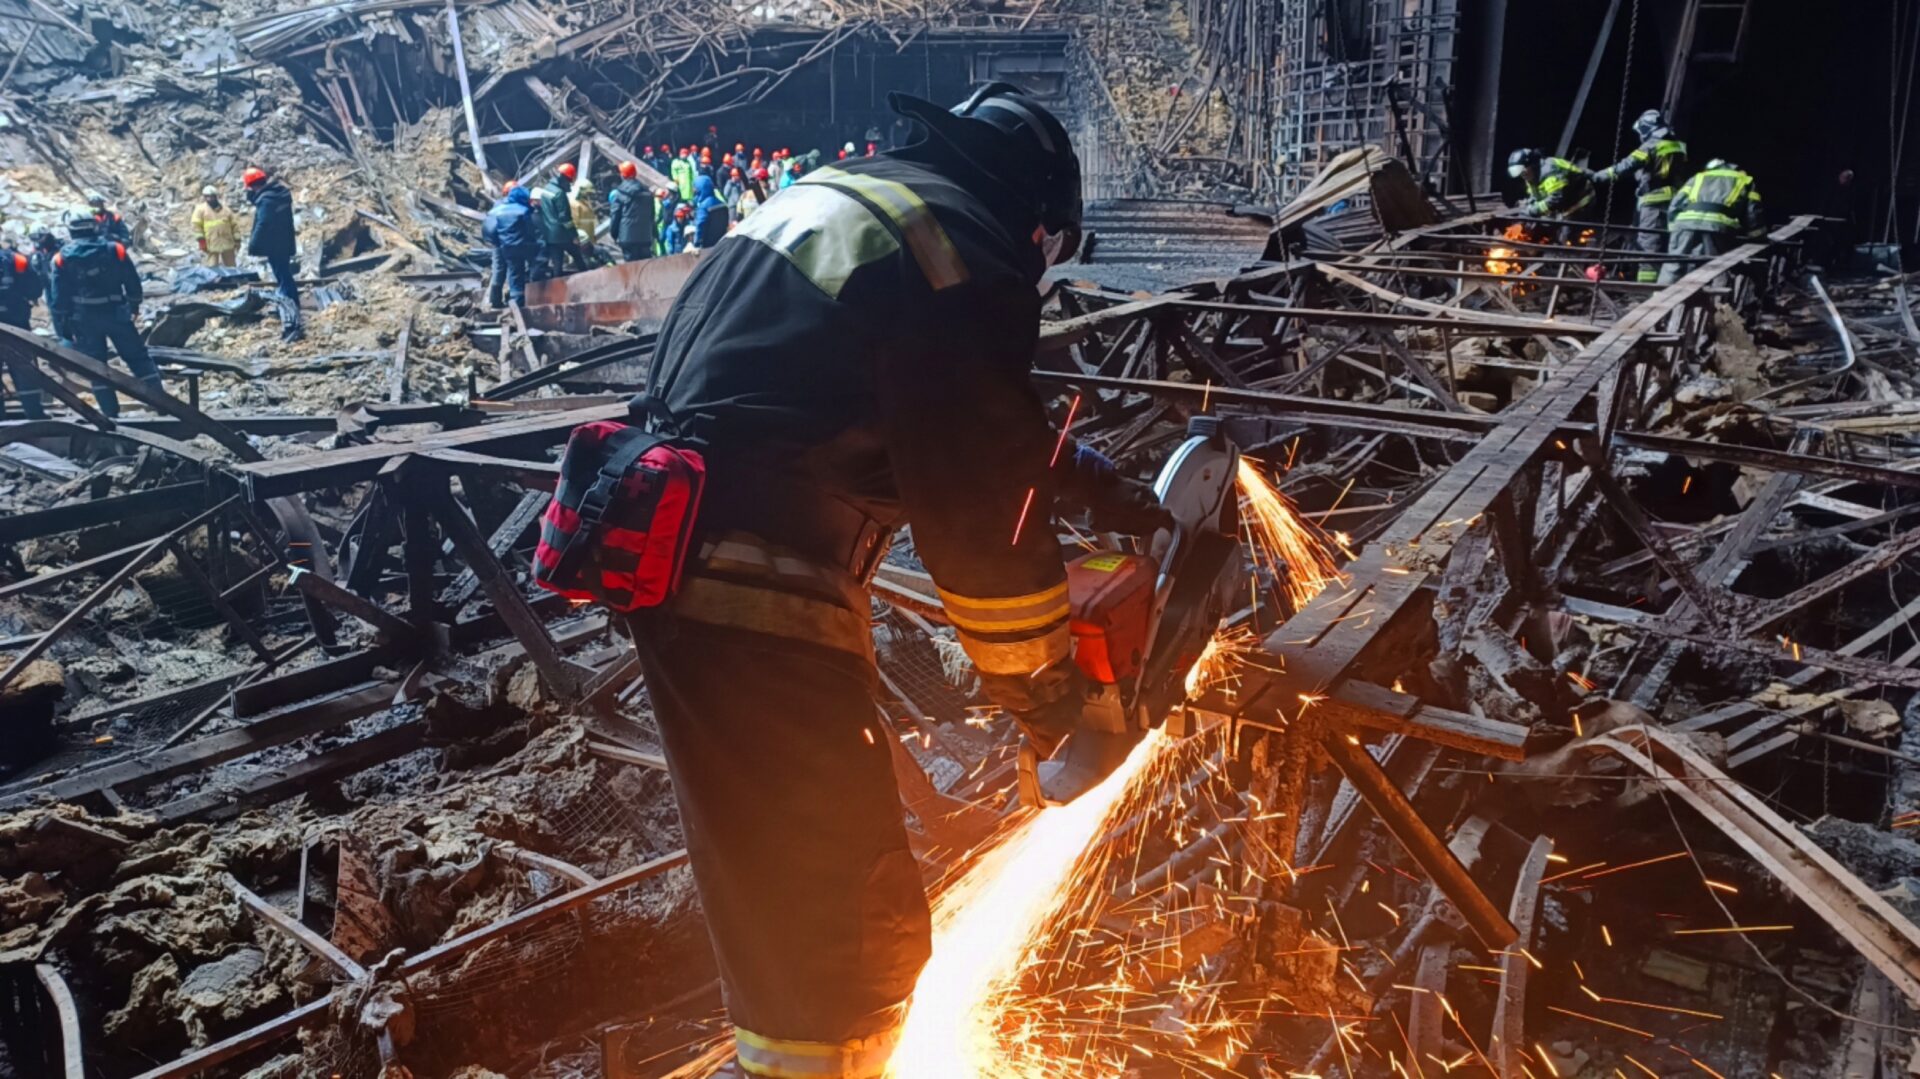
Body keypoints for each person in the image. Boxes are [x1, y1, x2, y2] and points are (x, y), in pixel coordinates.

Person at [628, 82, 1166, 1079]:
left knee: (778, 885)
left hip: (681, 549)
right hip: (759, 582)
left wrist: (1102, 483)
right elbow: (981, 521)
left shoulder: (860, 204)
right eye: (1049, 249)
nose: (1040, 268)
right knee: (842, 908)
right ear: (1038, 219)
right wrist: (1055, 703)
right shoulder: (963, 254)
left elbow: (929, 401)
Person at [50, 207, 163, 418]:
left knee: (96, 367)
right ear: (94, 226)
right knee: (138, 358)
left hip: (84, 319)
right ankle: (161, 404)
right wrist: (134, 305)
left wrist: (63, 325)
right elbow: (132, 281)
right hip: (116, 314)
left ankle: (111, 415)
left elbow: (58, 298)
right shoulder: (115, 249)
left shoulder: (61, 258)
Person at [1593, 109, 1689, 282]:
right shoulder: (1679, 145)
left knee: (1648, 247)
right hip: (1675, 201)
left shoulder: (1651, 145)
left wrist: (1599, 176)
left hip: (1654, 201)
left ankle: (1644, 292)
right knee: (1667, 246)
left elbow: (1626, 166)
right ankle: (1665, 284)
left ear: (1646, 129)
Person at [1660, 158, 1764, 285]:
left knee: (1674, 263)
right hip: (1718, 224)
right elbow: (1753, 212)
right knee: (1717, 267)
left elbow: (1676, 204)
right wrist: (1756, 235)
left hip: (1686, 221)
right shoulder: (1745, 180)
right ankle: (1718, 300)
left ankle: (1658, 294)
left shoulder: (1699, 177)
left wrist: (1673, 229)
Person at [243, 167, 303, 343]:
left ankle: (290, 308)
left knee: (282, 276)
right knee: (284, 274)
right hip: (283, 241)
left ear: (251, 186)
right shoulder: (279, 194)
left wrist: (254, 244)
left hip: (274, 244)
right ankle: (291, 303)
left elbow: (263, 223)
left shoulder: (266, 200)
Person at [0, 235, 46, 418]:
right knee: (24, 371)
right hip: (16, 324)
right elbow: (35, 289)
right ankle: (34, 414)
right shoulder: (16, 259)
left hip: (15, 323)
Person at [1508, 148, 1594, 234]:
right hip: (1565, 199)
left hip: (1582, 198)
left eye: (1522, 171)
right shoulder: (1531, 174)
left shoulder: (1550, 171)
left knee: (1565, 232)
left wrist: (1533, 211)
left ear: (1531, 164)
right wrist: (1529, 206)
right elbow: (1536, 195)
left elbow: (1555, 199)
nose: (1522, 175)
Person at [483, 182, 538, 309]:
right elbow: (529, 230)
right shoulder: (523, 209)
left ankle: (495, 300)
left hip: (500, 244)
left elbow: (489, 229)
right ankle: (517, 302)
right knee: (515, 271)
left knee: (498, 270)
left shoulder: (496, 209)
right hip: (513, 244)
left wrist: (497, 242)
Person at [538, 162, 583, 278]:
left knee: (557, 264)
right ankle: (587, 278)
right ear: (565, 178)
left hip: (549, 234)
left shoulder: (546, 190)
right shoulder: (559, 193)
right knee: (578, 257)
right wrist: (574, 235)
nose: (569, 183)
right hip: (562, 234)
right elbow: (565, 217)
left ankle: (557, 290)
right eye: (569, 180)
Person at [610, 162, 654, 262]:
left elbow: (615, 216)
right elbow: (651, 216)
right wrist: (653, 234)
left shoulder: (619, 194)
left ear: (623, 175)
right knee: (645, 267)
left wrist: (614, 234)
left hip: (627, 238)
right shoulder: (647, 193)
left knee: (631, 269)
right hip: (645, 237)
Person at [189, 184, 240, 268]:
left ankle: (233, 279)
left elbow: (234, 225)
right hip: (210, 244)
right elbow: (196, 225)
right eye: (207, 197)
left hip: (227, 243)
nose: (210, 199)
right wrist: (201, 241)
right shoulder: (200, 210)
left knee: (231, 267)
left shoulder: (225, 210)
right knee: (212, 268)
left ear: (215, 196)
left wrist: (237, 240)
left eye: (212, 196)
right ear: (204, 197)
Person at [690, 173, 729, 250]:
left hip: (707, 245)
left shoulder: (703, 207)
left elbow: (700, 225)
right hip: (721, 242)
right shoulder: (721, 203)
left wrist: (696, 243)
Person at [570, 178, 603, 266]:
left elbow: (589, 220)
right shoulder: (573, 204)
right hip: (582, 243)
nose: (588, 195)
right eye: (587, 192)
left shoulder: (583, 201)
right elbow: (574, 224)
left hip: (589, 239)